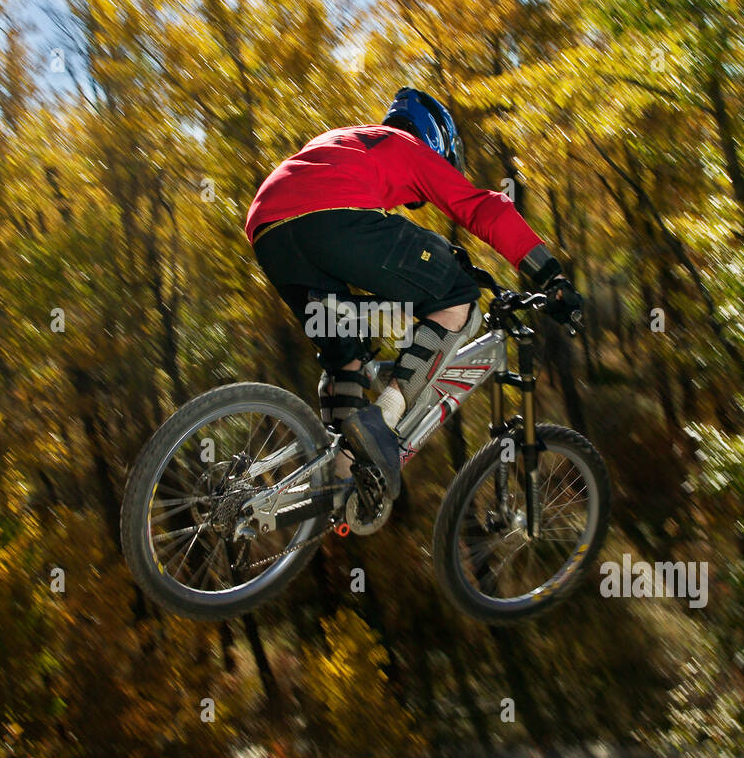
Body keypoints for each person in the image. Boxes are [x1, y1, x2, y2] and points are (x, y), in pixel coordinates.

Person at [244, 87, 581, 498]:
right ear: (434, 137)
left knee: (345, 357)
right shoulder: (408, 146)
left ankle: (339, 479)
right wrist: (551, 276)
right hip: (335, 217)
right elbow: (483, 208)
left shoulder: (343, 139)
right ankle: (384, 419)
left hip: (268, 230)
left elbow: (316, 199)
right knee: (457, 298)